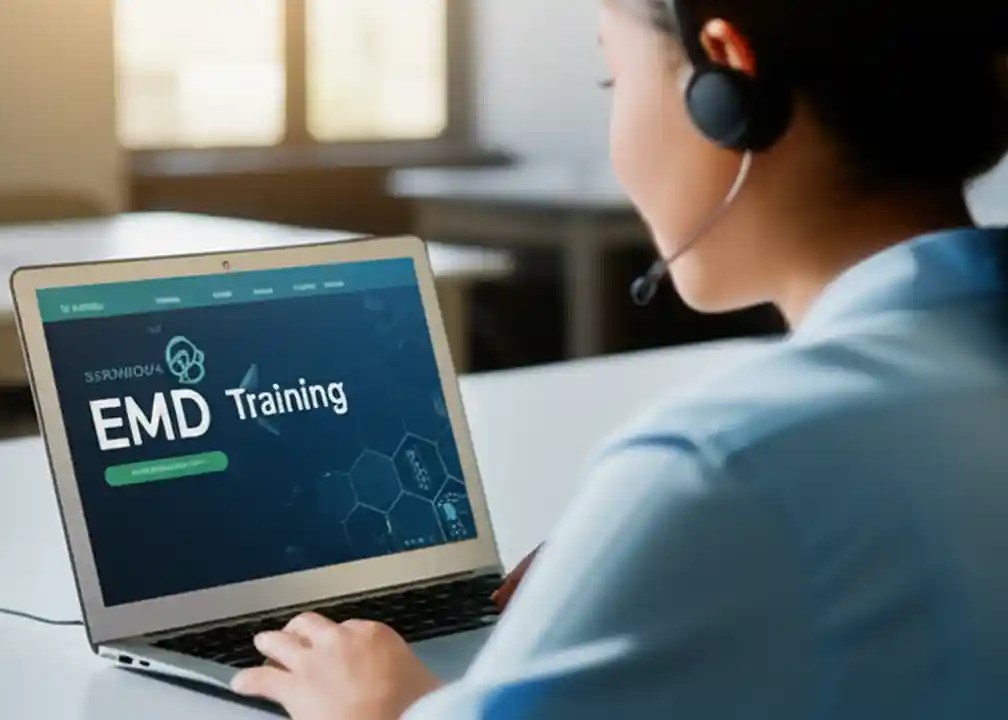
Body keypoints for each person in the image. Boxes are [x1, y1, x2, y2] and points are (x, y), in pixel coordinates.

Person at [230, 0, 1008, 717]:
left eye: (613, 74)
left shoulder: (725, 464)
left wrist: (387, 708)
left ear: (726, 75)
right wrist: (654, 550)